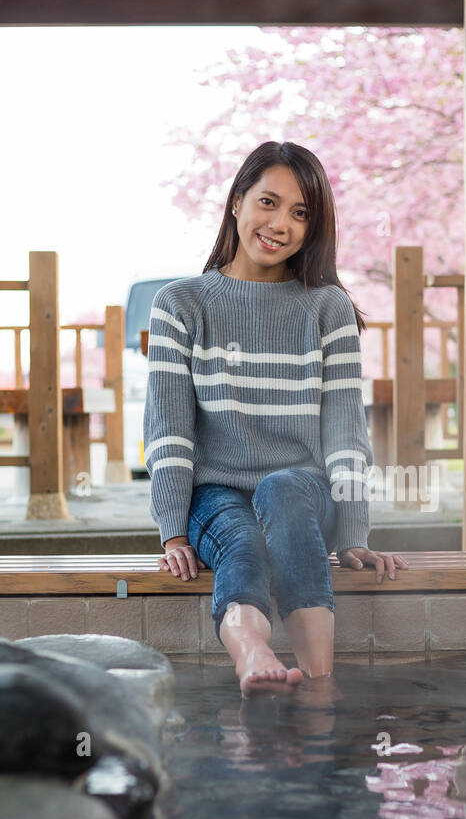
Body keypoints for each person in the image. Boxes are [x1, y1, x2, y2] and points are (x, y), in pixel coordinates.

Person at [143, 140, 409, 697]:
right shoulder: (181, 304)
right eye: (268, 202)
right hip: (218, 494)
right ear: (237, 202)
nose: (280, 224)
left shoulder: (326, 307)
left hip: (303, 494)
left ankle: (319, 681)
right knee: (240, 542)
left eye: (300, 213)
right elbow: (170, 429)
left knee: (284, 488)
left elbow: (345, 432)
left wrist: (355, 531)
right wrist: (171, 529)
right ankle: (253, 656)